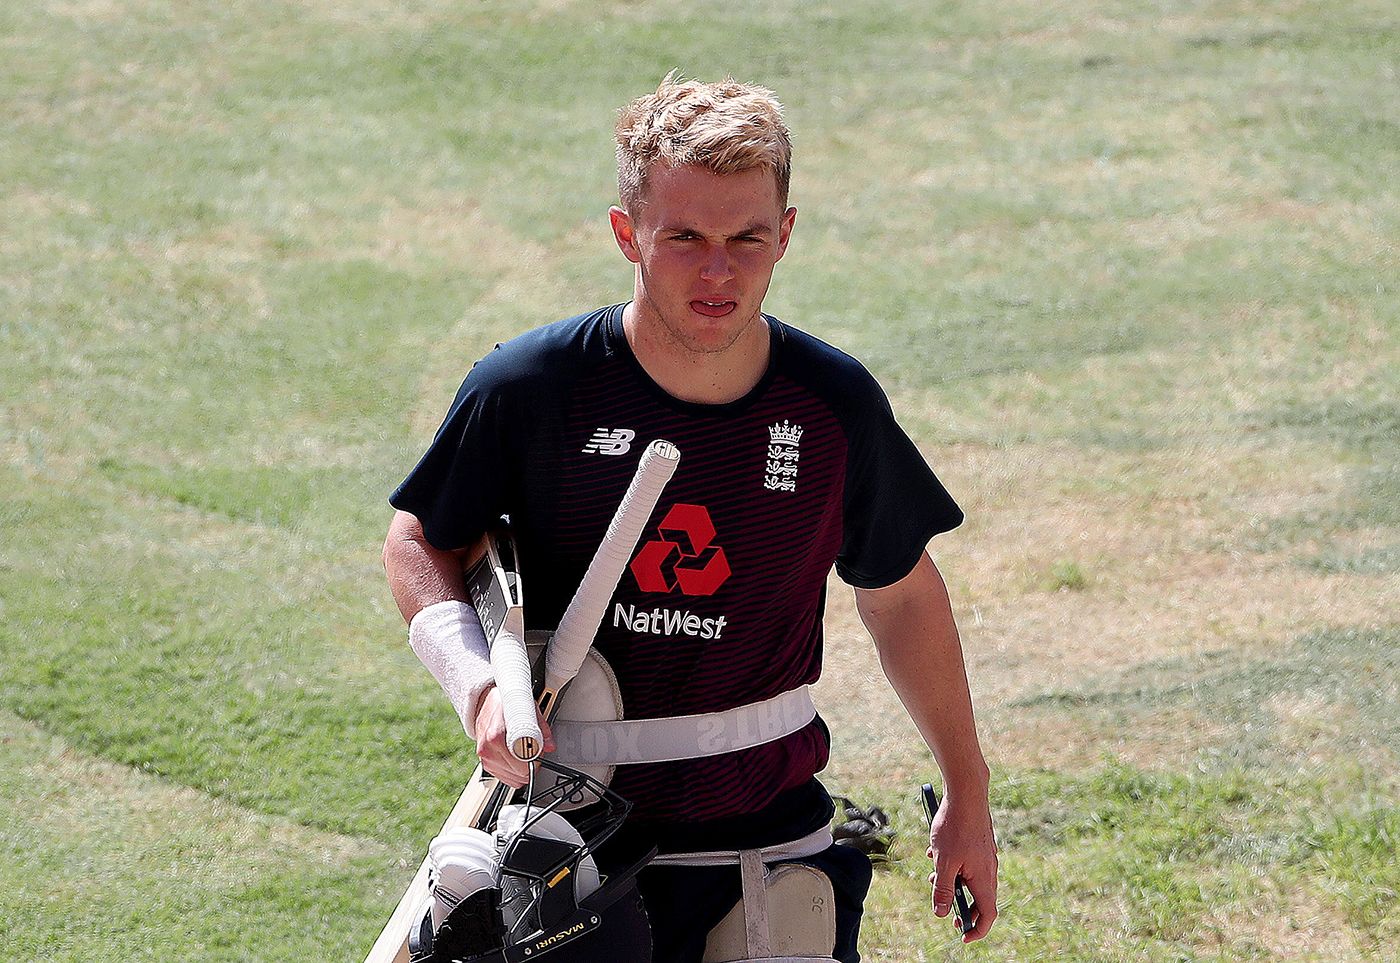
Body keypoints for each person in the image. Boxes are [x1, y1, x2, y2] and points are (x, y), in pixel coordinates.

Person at [383, 75, 998, 961]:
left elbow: (898, 594)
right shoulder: (531, 389)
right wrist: (477, 683)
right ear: (627, 233)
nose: (719, 270)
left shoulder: (833, 406)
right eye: (685, 238)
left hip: (768, 839)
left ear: (785, 235)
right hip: (567, 841)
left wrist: (966, 790)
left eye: (747, 237)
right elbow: (419, 539)